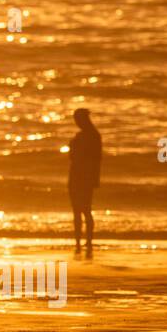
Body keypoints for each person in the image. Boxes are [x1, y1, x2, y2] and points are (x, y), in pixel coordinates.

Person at [68, 108, 102, 259]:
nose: (77, 122)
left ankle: (87, 241)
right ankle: (79, 242)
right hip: (76, 175)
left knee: (85, 210)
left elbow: (96, 160)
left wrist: (95, 179)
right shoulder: (85, 136)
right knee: (78, 210)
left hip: (83, 176)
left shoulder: (92, 136)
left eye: (78, 119)